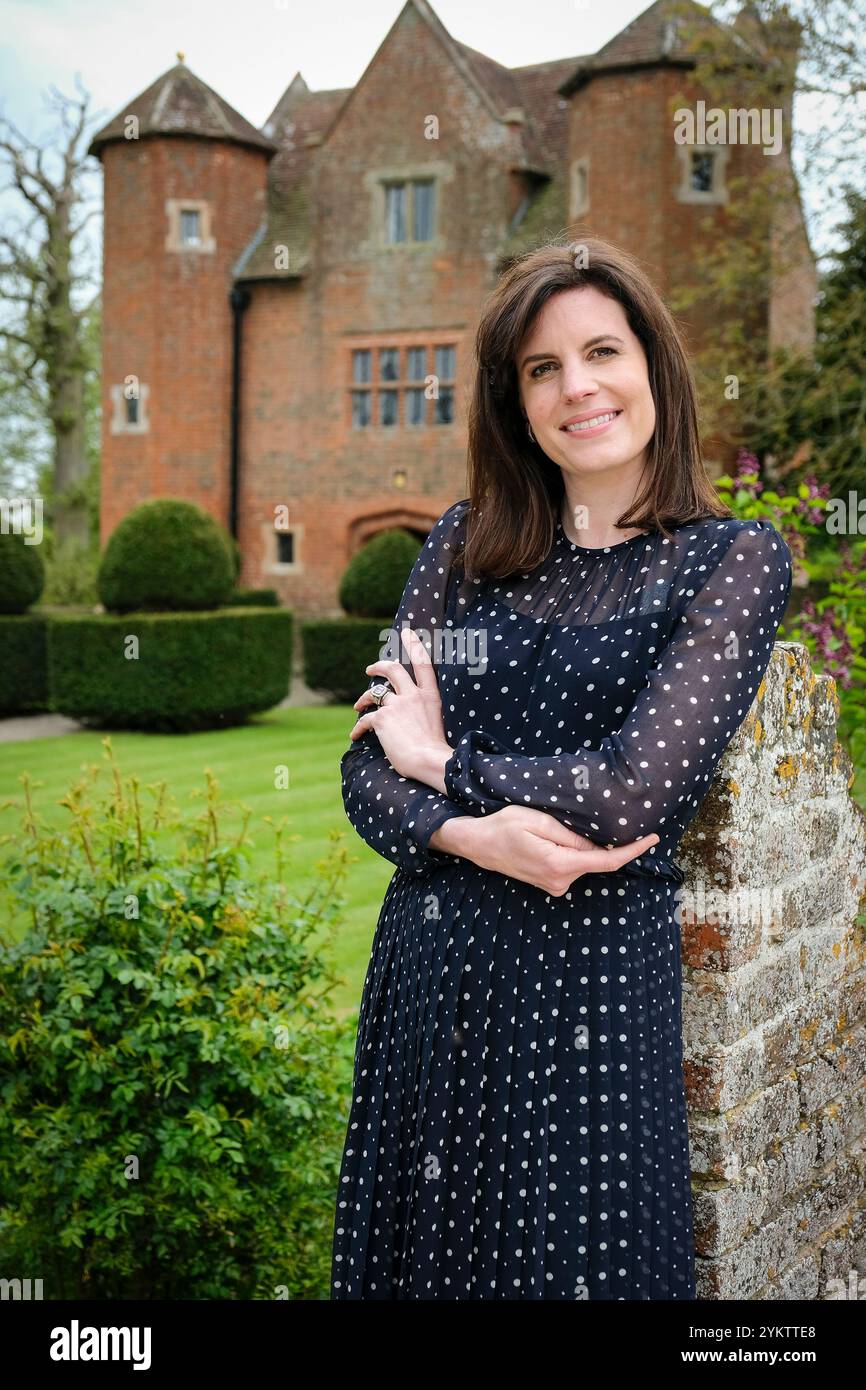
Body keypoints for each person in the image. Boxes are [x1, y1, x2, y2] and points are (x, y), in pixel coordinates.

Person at [330, 237, 792, 1300]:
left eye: (600, 352)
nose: (575, 387)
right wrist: (463, 832)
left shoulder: (728, 560)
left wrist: (442, 760)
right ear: (516, 399)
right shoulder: (461, 545)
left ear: (652, 369)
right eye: (541, 369)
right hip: (430, 980)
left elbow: (630, 788)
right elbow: (364, 773)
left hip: (586, 990)